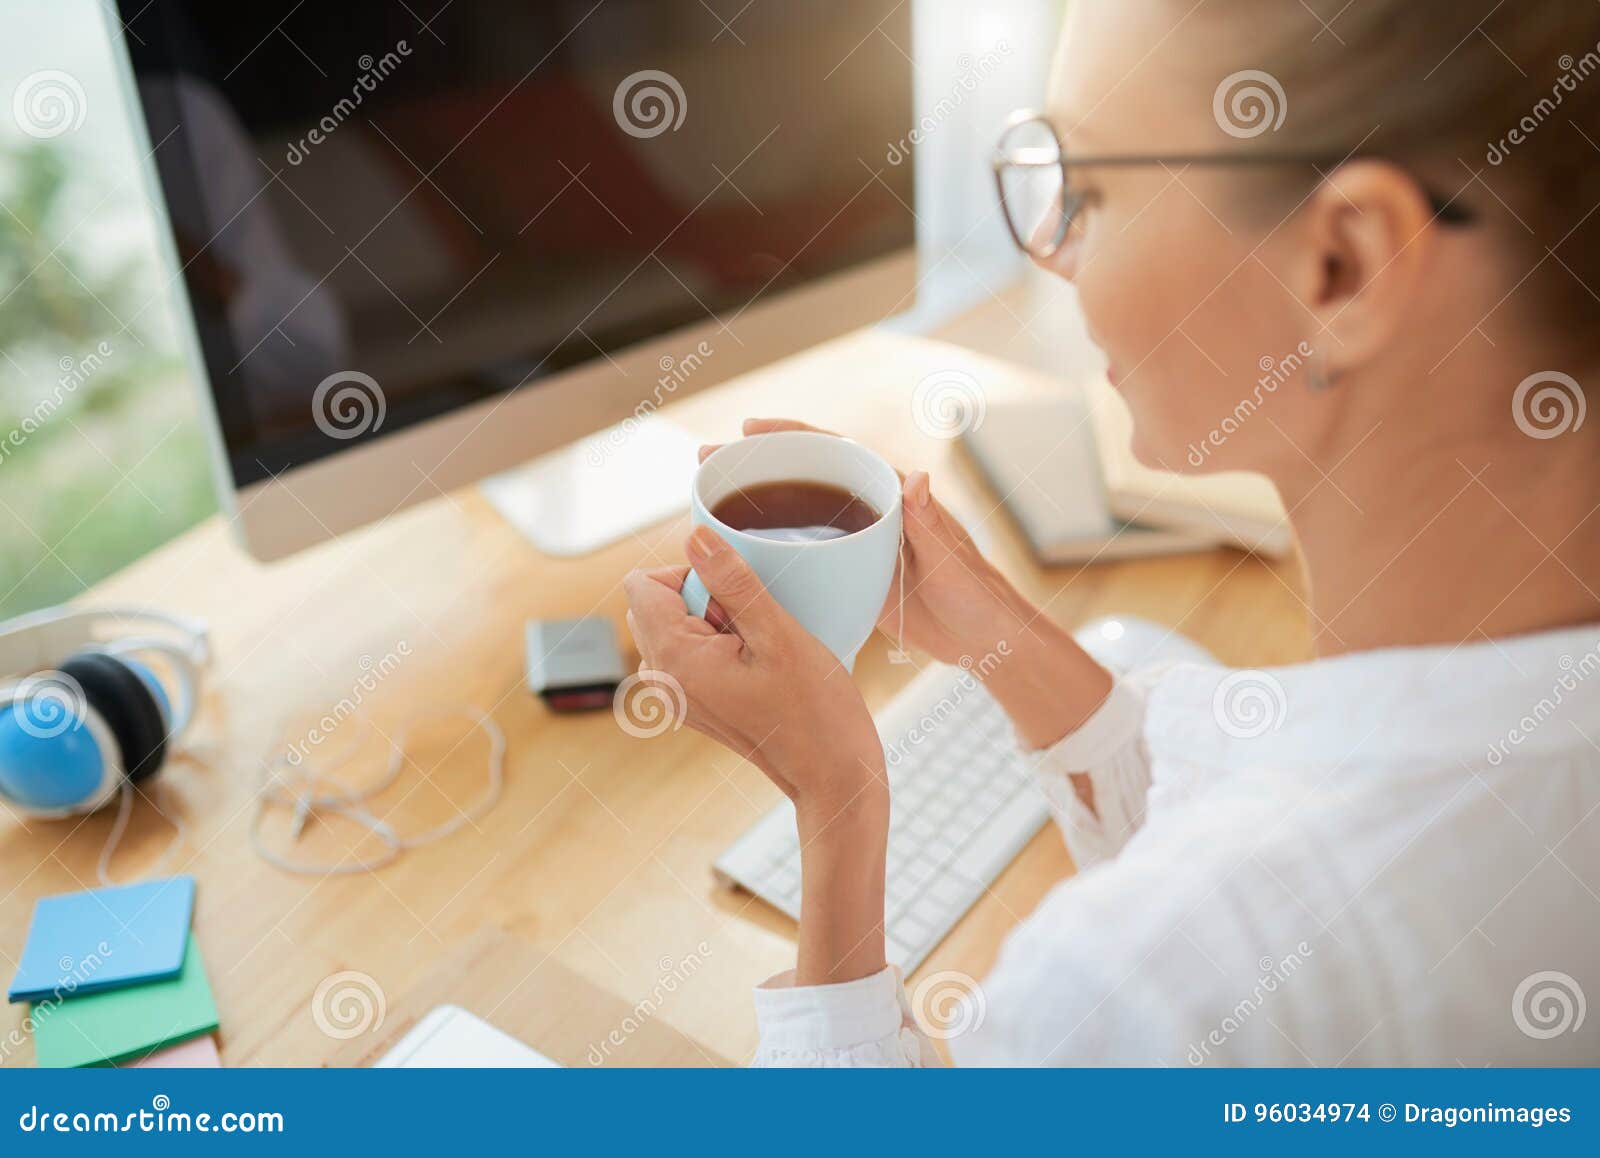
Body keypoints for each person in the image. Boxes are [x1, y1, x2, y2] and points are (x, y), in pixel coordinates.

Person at [623, 0, 1600, 1065]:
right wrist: (993, 633)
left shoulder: (1135, 990)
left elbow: (1226, 950)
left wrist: (837, 805)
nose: (1051, 245)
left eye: (1086, 186)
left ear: (1343, 265)